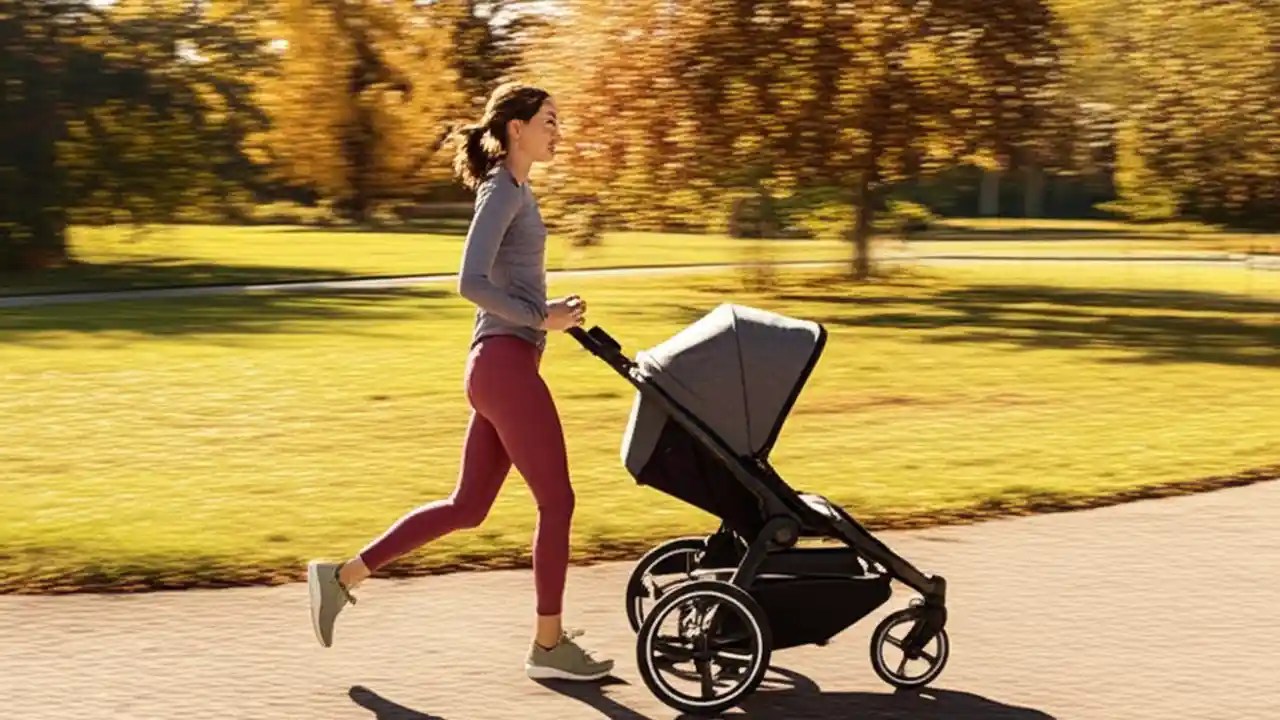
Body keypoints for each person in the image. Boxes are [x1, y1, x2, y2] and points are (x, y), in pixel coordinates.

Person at [306, 81, 614, 682]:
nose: (559, 131)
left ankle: (340, 577)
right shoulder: (502, 189)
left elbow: (505, 284)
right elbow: (469, 282)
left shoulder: (517, 190)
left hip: (501, 366)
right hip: (503, 365)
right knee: (558, 501)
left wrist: (551, 310)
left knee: (468, 507)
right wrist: (539, 316)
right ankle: (548, 648)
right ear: (515, 128)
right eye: (549, 120)